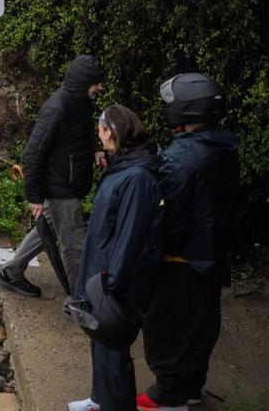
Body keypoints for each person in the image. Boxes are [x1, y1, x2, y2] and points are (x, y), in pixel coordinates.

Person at [137, 74, 239, 411]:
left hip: (181, 257)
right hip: (211, 252)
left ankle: (168, 394)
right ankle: (191, 386)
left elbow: (166, 211)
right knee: (200, 322)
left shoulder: (182, 158)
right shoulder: (223, 145)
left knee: (169, 324)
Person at [66, 105, 163, 411]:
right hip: (102, 270)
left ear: (110, 133)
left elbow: (130, 236)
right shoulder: (124, 165)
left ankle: (116, 405)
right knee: (100, 340)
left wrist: (112, 286)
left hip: (114, 279)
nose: (98, 135)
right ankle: (99, 399)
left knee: (113, 349)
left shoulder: (137, 177)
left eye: (100, 129)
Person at [0, 54, 105, 298]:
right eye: (96, 83)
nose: (100, 87)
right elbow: (31, 155)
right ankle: (81, 300)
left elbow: (82, 132)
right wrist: (34, 197)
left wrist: (95, 150)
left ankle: (11, 272)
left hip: (68, 181)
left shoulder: (81, 101)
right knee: (75, 246)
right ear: (83, 83)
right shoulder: (57, 109)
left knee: (46, 230)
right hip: (60, 187)